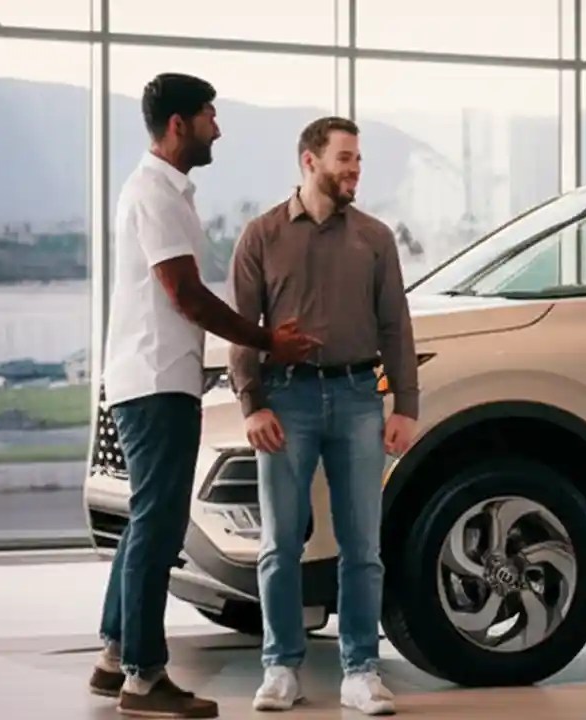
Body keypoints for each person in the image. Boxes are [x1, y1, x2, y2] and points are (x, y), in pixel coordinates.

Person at [90, 72, 318, 719]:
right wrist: (268, 339)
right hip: (156, 381)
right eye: (209, 116)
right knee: (159, 527)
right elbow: (184, 294)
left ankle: (114, 656)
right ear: (178, 125)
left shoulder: (167, 193)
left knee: (145, 520)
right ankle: (143, 677)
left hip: (157, 378)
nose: (218, 126)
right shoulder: (155, 195)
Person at [227, 116, 419, 715]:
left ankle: (361, 669)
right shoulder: (260, 236)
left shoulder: (376, 237)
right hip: (285, 401)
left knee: (363, 544)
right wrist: (251, 402)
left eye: (358, 159)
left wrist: (406, 406)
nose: (355, 169)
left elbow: (396, 326)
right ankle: (281, 666)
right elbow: (242, 328)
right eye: (345, 158)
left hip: (360, 397)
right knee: (280, 543)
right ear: (309, 162)